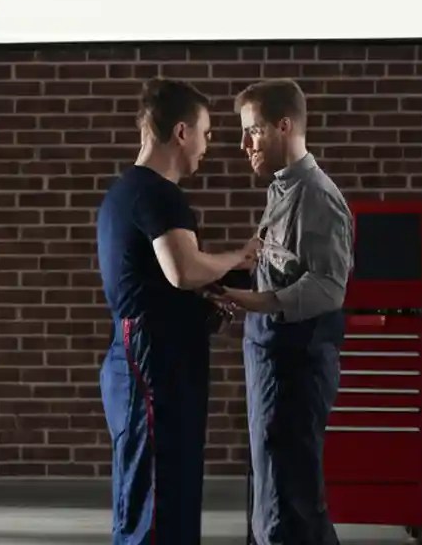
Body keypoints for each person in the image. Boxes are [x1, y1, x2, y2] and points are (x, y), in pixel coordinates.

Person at [96, 76, 261, 544]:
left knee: (154, 486)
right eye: (207, 134)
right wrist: (241, 257)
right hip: (154, 359)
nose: (208, 146)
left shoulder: (125, 191)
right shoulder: (158, 194)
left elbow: (158, 282)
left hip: (142, 353)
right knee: (158, 493)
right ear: (182, 132)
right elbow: (183, 271)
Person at [212, 78, 354, 545]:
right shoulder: (281, 189)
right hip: (270, 359)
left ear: (284, 127)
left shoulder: (317, 195)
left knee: (294, 497)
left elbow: (329, 285)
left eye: (253, 131)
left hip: (296, 364)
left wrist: (258, 302)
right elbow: (281, 264)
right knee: (270, 485)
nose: (243, 144)